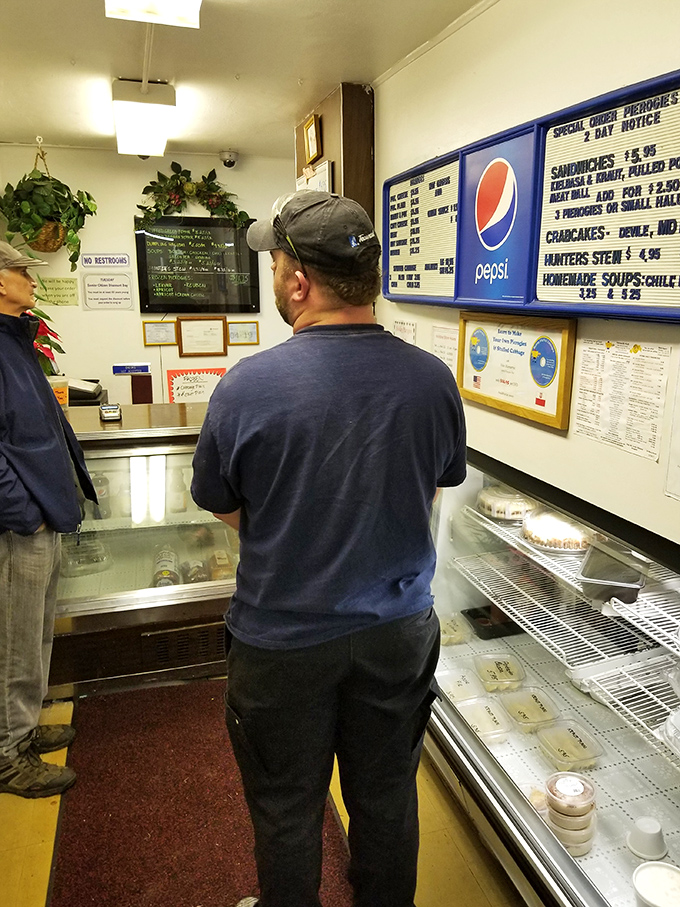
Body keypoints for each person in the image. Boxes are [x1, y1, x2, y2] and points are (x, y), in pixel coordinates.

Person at [191, 190, 466, 907]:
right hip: (397, 633)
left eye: (276, 260)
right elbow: (432, 490)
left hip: (282, 639)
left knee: (286, 809)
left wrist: (292, 531)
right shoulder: (433, 380)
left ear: (297, 281)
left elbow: (221, 500)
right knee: (386, 799)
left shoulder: (246, 387)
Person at [0, 241, 96, 798]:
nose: (32, 280)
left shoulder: (14, 339)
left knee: (32, 634)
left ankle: (23, 728)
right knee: (13, 642)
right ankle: (7, 756)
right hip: (19, 526)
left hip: (41, 516)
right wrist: (24, 514)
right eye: (22, 272)